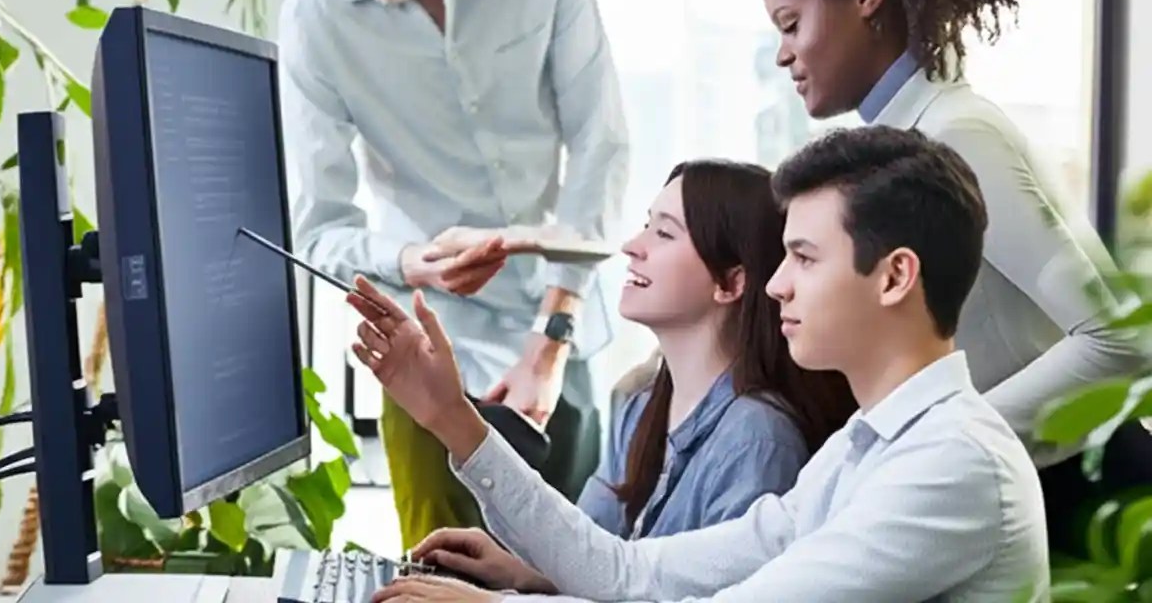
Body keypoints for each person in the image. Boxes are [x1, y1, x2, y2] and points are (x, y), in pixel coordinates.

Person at [346, 125, 1049, 602]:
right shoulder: (864, 450)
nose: (778, 285)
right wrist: (446, 412)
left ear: (895, 277)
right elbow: (628, 571)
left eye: (804, 259)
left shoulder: (951, 464)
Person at [756, 0, 1147, 546]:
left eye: (792, 24)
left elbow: (1122, 339)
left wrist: (949, 441)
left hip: (1089, 497)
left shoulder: (957, 132)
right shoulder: (902, 147)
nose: (783, 54)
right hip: (1017, 479)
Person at [278, 0, 629, 548]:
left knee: (576, 571)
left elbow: (600, 145)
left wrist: (551, 337)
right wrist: (408, 261)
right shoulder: (314, 20)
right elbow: (319, 229)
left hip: (559, 328)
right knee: (441, 578)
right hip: (426, 355)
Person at [576, 160, 856, 539]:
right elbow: (579, 552)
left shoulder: (757, 440)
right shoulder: (638, 406)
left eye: (663, 233)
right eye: (647, 226)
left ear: (730, 282)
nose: (632, 247)